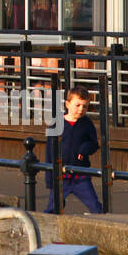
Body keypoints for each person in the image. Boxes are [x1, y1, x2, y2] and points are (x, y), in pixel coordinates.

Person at [45, 85, 104, 214]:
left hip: (80, 174)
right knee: (52, 209)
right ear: (67, 104)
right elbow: (50, 151)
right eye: (77, 105)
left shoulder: (87, 123)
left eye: (85, 106)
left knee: (95, 207)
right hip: (61, 175)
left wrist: (84, 150)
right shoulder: (57, 123)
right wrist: (50, 178)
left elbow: (94, 143)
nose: (81, 109)